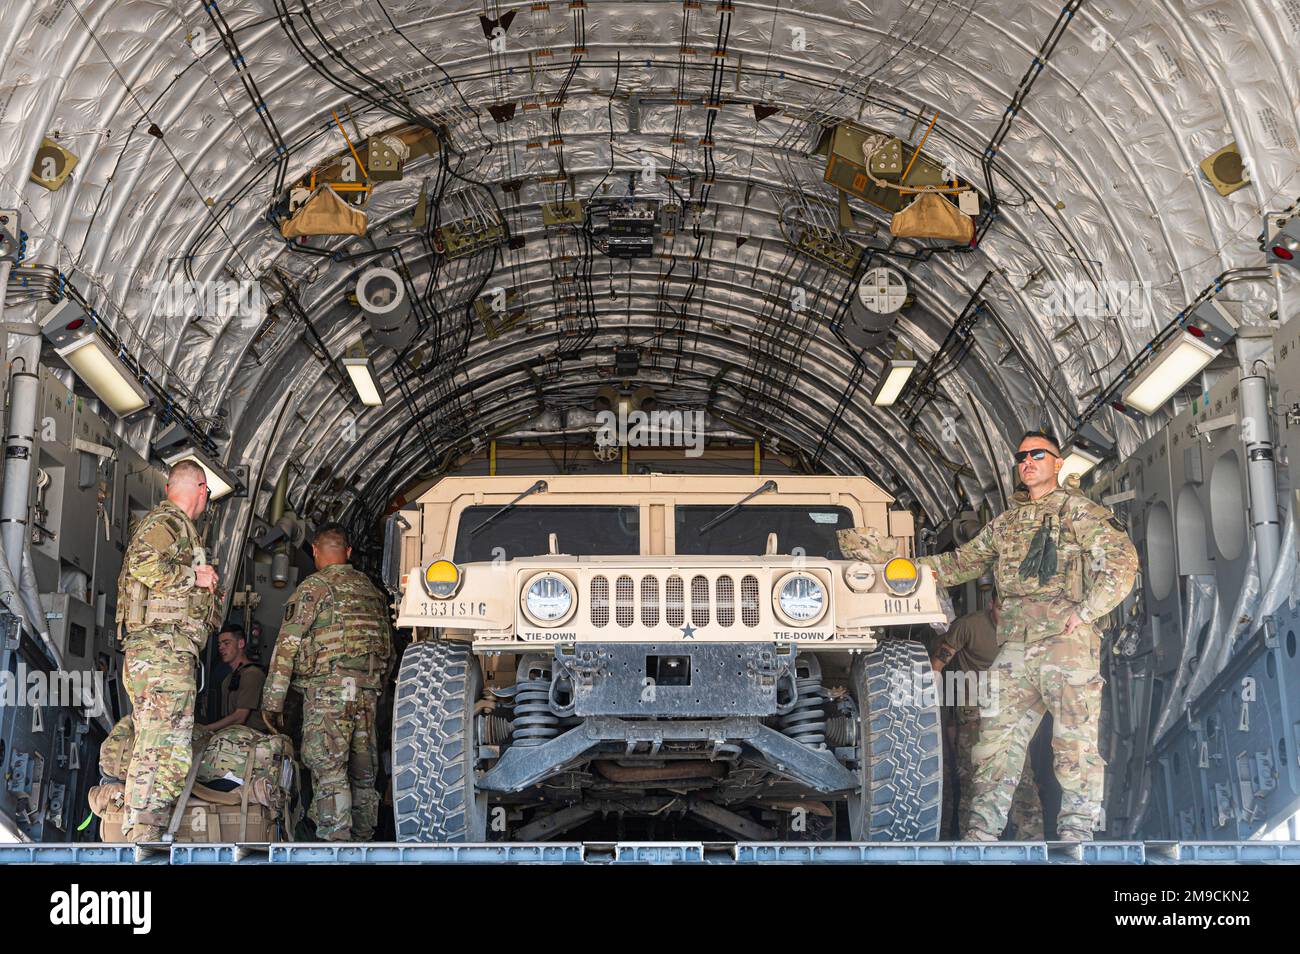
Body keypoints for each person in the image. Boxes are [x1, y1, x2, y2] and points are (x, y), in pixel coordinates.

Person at [917, 430, 1137, 841]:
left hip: (1065, 644)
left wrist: (1086, 612)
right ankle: (981, 835)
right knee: (992, 745)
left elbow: (1123, 563)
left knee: (1073, 743)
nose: (1028, 461)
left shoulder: (1078, 512)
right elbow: (957, 564)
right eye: (1021, 457)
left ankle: (1076, 834)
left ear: (1057, 462)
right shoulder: (1006, 524)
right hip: (1015, 647)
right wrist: (898, 568)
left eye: (1038, 454)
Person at [261, 524, 393, 841]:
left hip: (328, 693)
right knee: (363, 773)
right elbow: (388, 649)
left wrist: (272, 702)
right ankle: (363, 840)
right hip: (365, 694)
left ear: (316, 552)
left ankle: (336, 843)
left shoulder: (314, 588)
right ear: (348, 553)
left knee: (329, 769)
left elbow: (287, 646)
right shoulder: (372, 593)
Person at [114, 460, 221, 842]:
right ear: (201, 488)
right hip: (161, 648)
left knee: (161, 740)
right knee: (163, 743)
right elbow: (144, 563)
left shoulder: (182, 529)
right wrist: (196, 576)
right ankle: (143, 832)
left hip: (166, 650)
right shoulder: (168, 523)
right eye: (207, 491)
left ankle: (145, 829)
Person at [928, 595, 1045, 839]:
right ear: (991, 604)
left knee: (1021, 780)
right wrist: (933, 704)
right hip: (974, 715)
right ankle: (970, 843)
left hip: (1012, 714)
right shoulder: (970, 626)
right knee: (973, 780)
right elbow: (938, 662)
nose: (1007, 614)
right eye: (1002, 608)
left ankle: (1032, 841)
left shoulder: (1029, 626)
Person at [203, 624, 269, 733]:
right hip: (235, 734)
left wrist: (207, 729)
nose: (221, 648)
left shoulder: (252, 674)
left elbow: (240, 717)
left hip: (253, 738)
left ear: (241, 643)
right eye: (219, 644)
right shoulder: (228, 679)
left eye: (226, 643)